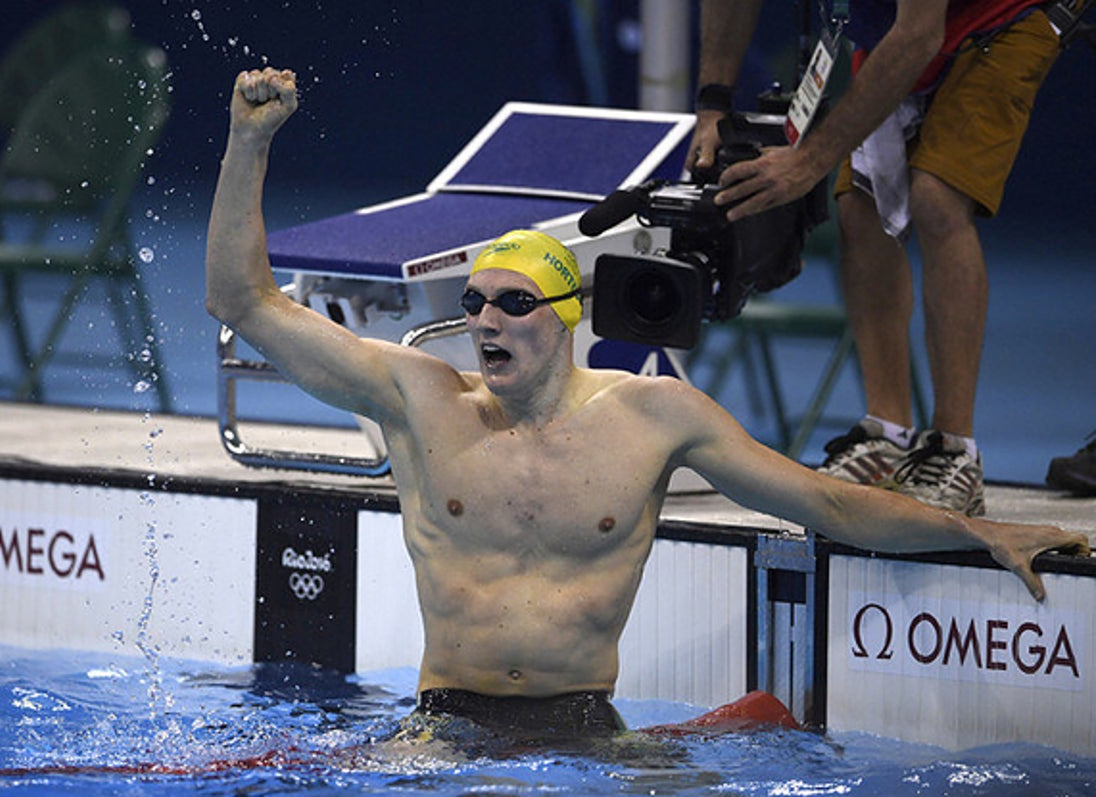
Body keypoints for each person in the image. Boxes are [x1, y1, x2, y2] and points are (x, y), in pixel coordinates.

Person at [206, 67, 1088, 743]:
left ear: (566, 317)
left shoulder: (653, 416)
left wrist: (976, 531)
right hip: (439, 732)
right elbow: (244, 301)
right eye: (473, 303)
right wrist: (248, 145)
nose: (483, 321)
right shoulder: (418, 396)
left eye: (513, 303)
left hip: (587, 733)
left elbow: (819, 501)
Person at [688, 0, 1071, 517]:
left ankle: (955, 449)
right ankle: (887, 436)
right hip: (893, 32)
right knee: (859, 209)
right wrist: (712, 103)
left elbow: (918, 36)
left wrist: (809, 162)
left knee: (936, 197)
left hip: (1001, 17)